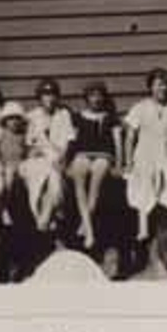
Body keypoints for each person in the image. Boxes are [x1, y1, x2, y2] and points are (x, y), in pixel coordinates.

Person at [124, 68, 167, 243]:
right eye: (159, 85)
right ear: (151, 87)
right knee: (145, 178)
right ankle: (142, 226)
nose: (163, 89)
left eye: (165, 85)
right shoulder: (140, 107)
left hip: (166, 150)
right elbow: (130, 137)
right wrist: (128, 161)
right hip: (145, 150)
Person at [68, 81, 123, 250]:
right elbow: (72, 141)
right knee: (79, 182)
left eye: (99, 95)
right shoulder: (77, 117)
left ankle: (86, 226)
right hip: (82, 154)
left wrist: (119, 163)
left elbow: (118, 142)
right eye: (92, 95)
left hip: (103, 155)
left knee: (95, 187)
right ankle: (89, 230)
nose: (96, 99)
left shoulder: (110, 117)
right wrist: (68, 162)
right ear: (87, 98)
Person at [21, 78, 75, 233]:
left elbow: (69, 141)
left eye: (52, 95)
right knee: (39, 177)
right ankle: (46, 217)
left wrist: (63, 158)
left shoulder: (63, 115)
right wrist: (33, 151)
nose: (49, 99)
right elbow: (28, 145)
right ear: (39, 97)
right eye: (45, 95)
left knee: (54, 177)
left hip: (57, 157)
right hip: (37, 159)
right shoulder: (32, 116)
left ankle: (43, 219)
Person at [0, 100, 27, 226]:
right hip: (4, 164)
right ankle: (1, 209)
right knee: (2, 182)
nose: (13, 122)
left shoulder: (22, 135)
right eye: (10, 119)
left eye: (16, 119)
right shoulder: (1, 133)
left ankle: (6, 208)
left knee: (11, 177)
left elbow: (27, 151)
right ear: (4, 121)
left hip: (18, 166)